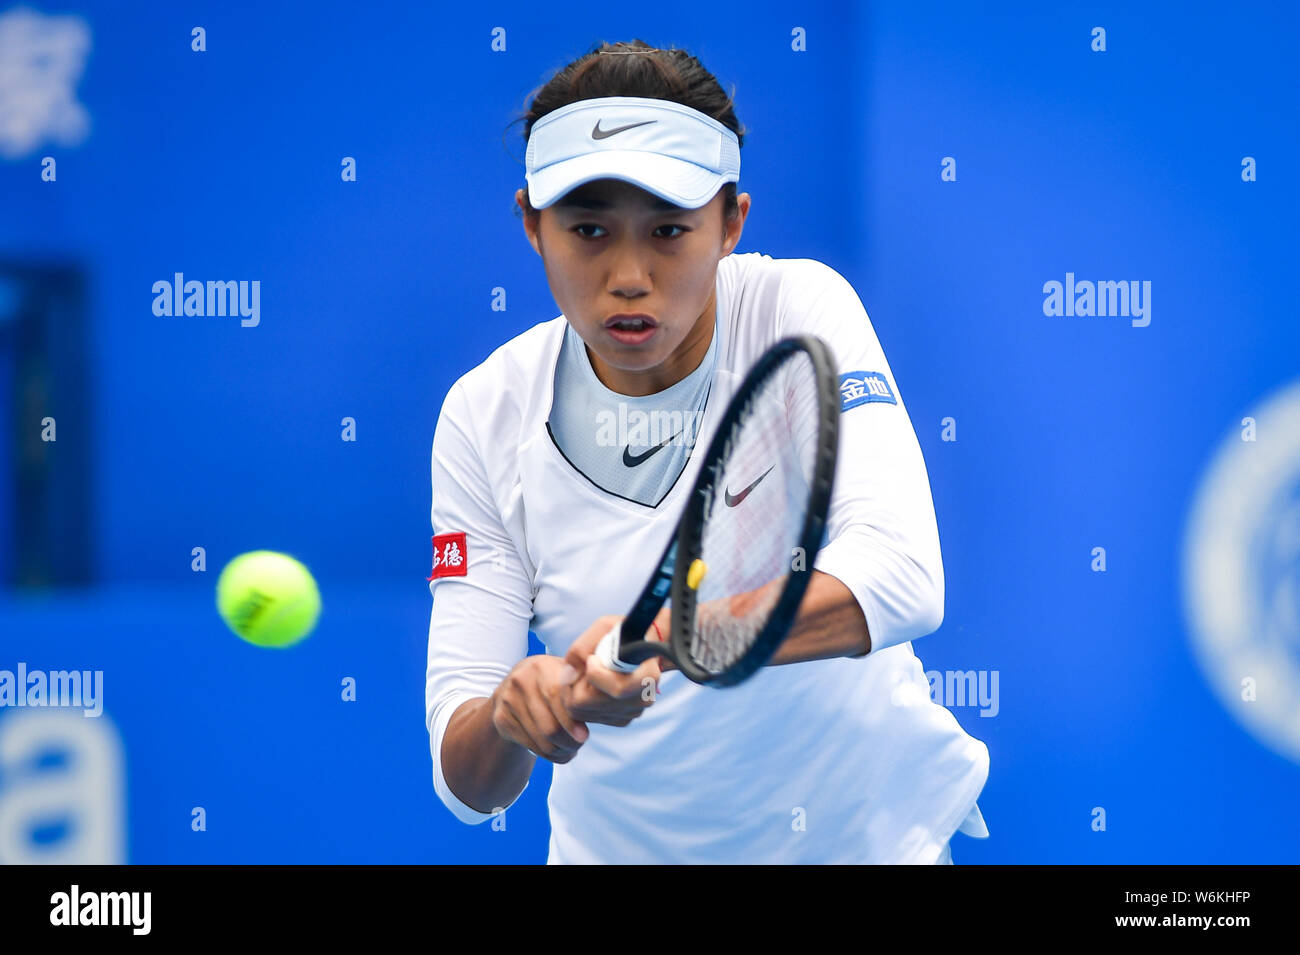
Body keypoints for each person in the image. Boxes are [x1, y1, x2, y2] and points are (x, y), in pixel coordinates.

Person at [425, 39, 989, 864]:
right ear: (531, 225)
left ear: (731, 223)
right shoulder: (483, 414)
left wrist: (668, 639)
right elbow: (469, 781)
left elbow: (902, 575)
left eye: (667, 231)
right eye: (588, 229)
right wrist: (514, 713)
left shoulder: (799, 310)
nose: (628, 275)